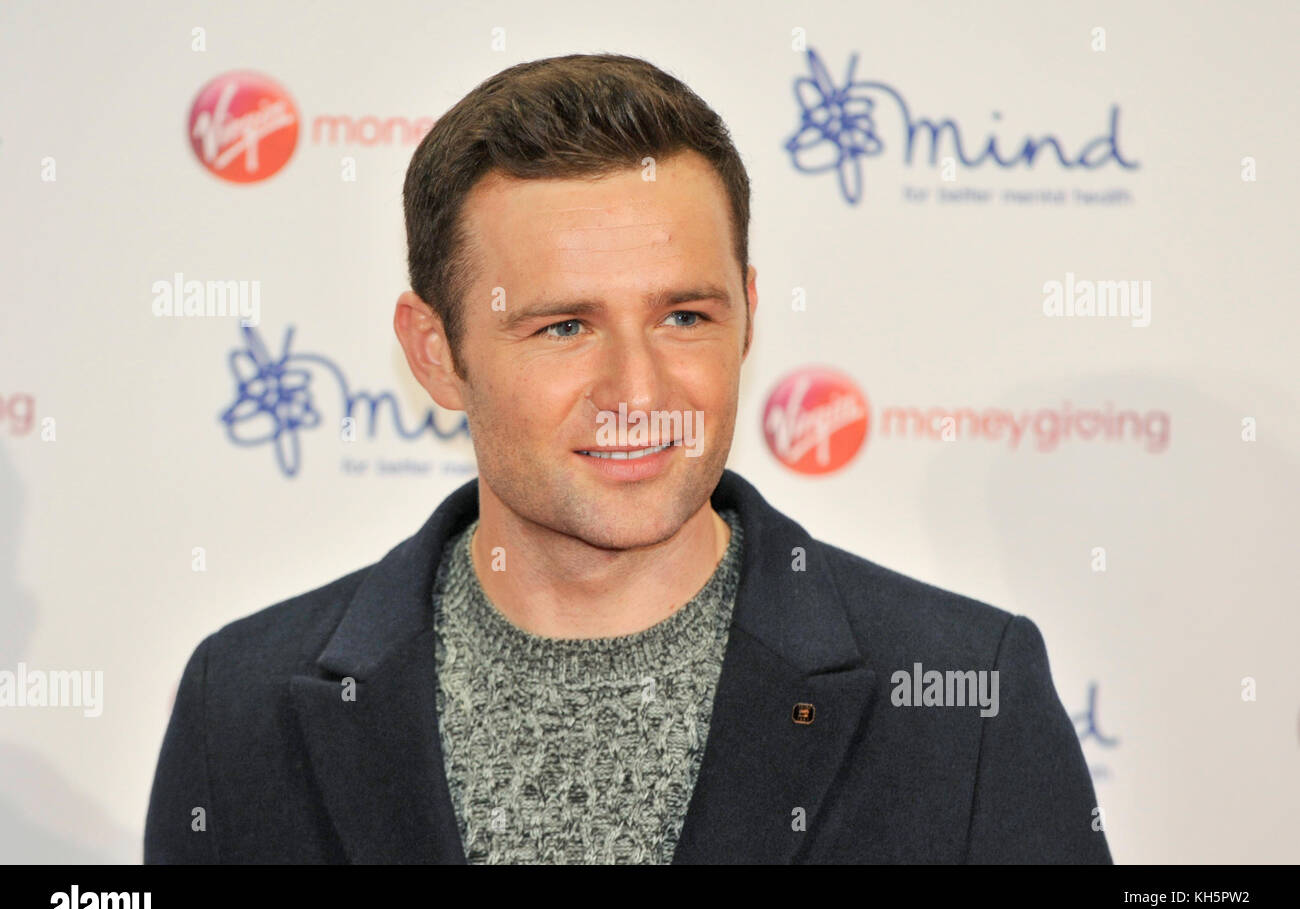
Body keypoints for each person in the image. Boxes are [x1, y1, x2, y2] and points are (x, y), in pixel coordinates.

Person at [144, 53, 1111, 864]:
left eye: (683, 316)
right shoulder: (245, 705)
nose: (638, 392)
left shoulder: (964, 696)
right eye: (564, 326)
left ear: (748, 316)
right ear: (436, 353)